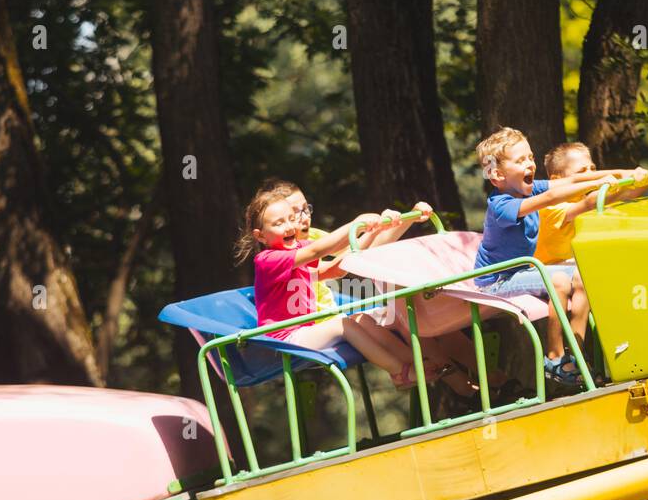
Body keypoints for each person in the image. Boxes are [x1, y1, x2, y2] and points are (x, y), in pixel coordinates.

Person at [278, 180, 478, 396]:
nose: (304, 217)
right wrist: (369, 227)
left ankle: (486, 378)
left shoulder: (314, 236)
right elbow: (339, 266)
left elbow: (364, 249)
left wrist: (403, 220)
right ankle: (457, 386)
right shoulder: (287, 254)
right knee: (377, 319)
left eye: (305, 209)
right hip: (318, 325)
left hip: (335, 315)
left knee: (409, 313)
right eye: (294, 214)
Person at [234, 181, 439, 389]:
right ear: (260, 235)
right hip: (282, 340)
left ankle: (417, 364)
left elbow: (335, 268)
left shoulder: (297, 252)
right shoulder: (268, 260)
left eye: (291, 219)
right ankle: (399, 372)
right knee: (345, 325)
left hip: (304, 332)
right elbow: (318, 251)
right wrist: (355, 223)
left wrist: (372, 230)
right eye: (278, 223)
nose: (289, 227)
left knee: (364, 320)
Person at [472, 127, 620, 390]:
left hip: (519, 272)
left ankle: (575, 354)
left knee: (582, 278)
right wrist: (609, 183)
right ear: (497, 175)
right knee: (561, 281)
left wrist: (628, 175)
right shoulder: (501, 205)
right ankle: (554, 357)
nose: (530, 164)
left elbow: (571, 183)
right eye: (520, 161)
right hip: (496, 281)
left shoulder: (528, 189)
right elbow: (553, 195)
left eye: (530, 157)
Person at [536, 142, 648, 266]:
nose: (591, 174)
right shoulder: (551, 206)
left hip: (576, 264)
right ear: (557, 179)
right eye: (582, 171)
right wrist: (629, 181)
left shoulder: (594, 199)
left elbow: (626, 194)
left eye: (593, 169)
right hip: (550, 270)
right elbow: (589, 205)